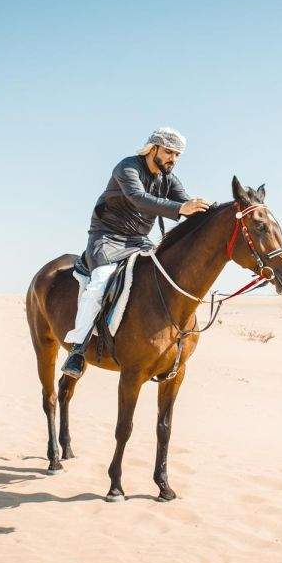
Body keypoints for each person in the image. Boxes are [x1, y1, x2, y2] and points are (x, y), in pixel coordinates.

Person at [61, 127, 210, 378]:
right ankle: (78, 348)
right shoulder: (127, 168)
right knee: (100, 283)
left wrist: (214, 213)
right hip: (107, 238)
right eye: (169, 152)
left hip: (139, 241)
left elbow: (187, 206)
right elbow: (138, 198)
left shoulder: (167, 179)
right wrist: (182, 207)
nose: (173, 159)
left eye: (177, 155)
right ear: (153, 148)